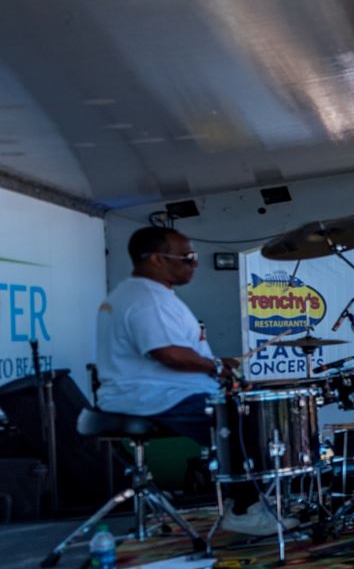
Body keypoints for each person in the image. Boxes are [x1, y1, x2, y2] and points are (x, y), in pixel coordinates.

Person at [94, 227, 289, 533]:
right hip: (153, 397)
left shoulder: (143, 293)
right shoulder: (147, 299)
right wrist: (214, 367)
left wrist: (216, 369)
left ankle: (249, 501)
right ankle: (244, 508)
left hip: (160, 392)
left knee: (249, 407)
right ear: (157, 259)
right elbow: (168, 354)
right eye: (188, 257)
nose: (195, 264)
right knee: (245, 420)